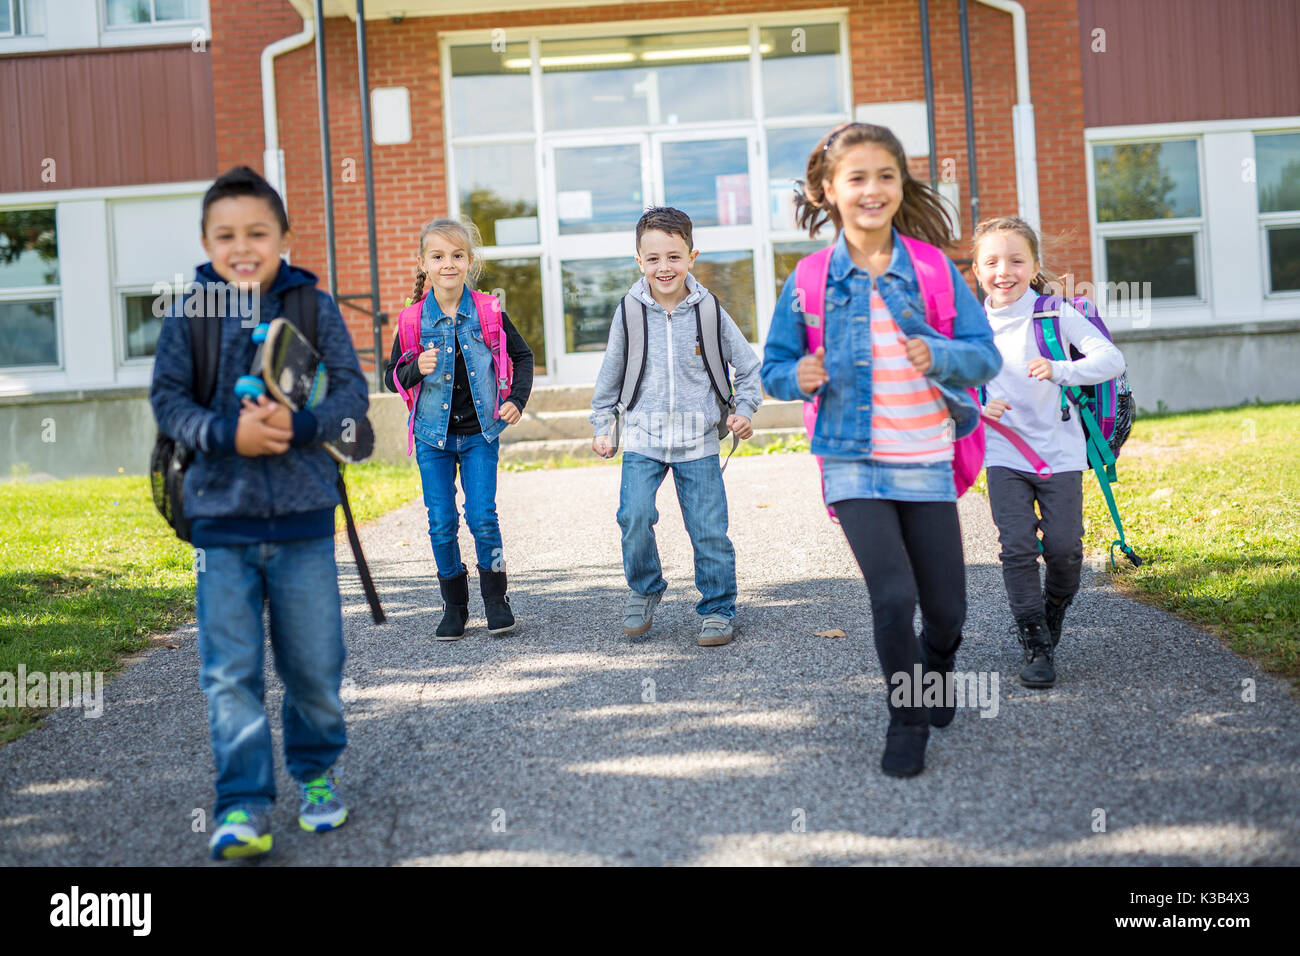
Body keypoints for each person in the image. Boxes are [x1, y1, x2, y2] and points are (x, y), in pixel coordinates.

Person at [761, 124, 1001, 777]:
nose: (872, 189)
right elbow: (773, 367)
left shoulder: (930, 269)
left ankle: (939, 664)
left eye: (885, 176)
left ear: (902, 184)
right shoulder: (810, 279)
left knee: (946, 610)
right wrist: (796, 376)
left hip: (924, 457)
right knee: (892, 596)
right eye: (857, 178)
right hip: (850, 458)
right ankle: (906, 722)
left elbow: (985, 357)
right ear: (830, 190)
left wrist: (943, 355)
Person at [150, 166, 369, 859]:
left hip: (304, 521)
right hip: (222, 523)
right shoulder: (189, 315)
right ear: (206, 242)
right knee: (230, 670)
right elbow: (168, 401)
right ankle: (241, 804)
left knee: (314, 665)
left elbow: (353, 400)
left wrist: (300, 426)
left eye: (257, 233)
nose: (242, 247)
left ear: (284, 236)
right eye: (225, 235)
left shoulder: (314, 306)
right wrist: (228, 436)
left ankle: (315, 775)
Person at [590, 206, 761, 647]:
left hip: (699, 439)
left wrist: (743, 408)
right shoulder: (629, 311)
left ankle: (718, 607)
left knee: (707, 529)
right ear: (638, 261)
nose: (663, 267)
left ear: (692, 256)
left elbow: (747, 367)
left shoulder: (710, 312)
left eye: (673, 256)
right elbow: (610, 375)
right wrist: (603, 423)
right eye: (653, 259)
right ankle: (645, 588)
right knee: (634, 515)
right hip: (643, 437)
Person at [972, 216, 1125, 688]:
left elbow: (1110, 359)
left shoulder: (1056, 313)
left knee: (1065, 550)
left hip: (1059, 453)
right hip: (1004, 454)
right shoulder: (969, 325)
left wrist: (1061, 370)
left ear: (1034, 265)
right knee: (1015, 548)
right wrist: (977, 405)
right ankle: (1034, 641)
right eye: (992, 261)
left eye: (1016, 260)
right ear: (977, 269)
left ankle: (1053, 609)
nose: (1005, 271)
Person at [385, 218, 534, 640]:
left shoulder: (488, 310)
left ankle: (495, 599)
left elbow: (522, 357)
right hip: (432, 437)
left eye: (456, 255)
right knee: (441, 521)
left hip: (480, 435)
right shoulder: (412, 320)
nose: (447, 264)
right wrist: (415, 368)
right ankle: (454, 605)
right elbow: (390, 376)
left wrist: (515, 400)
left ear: (469, 262)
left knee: (483, 516)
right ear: (423, 264)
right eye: (438, 256)